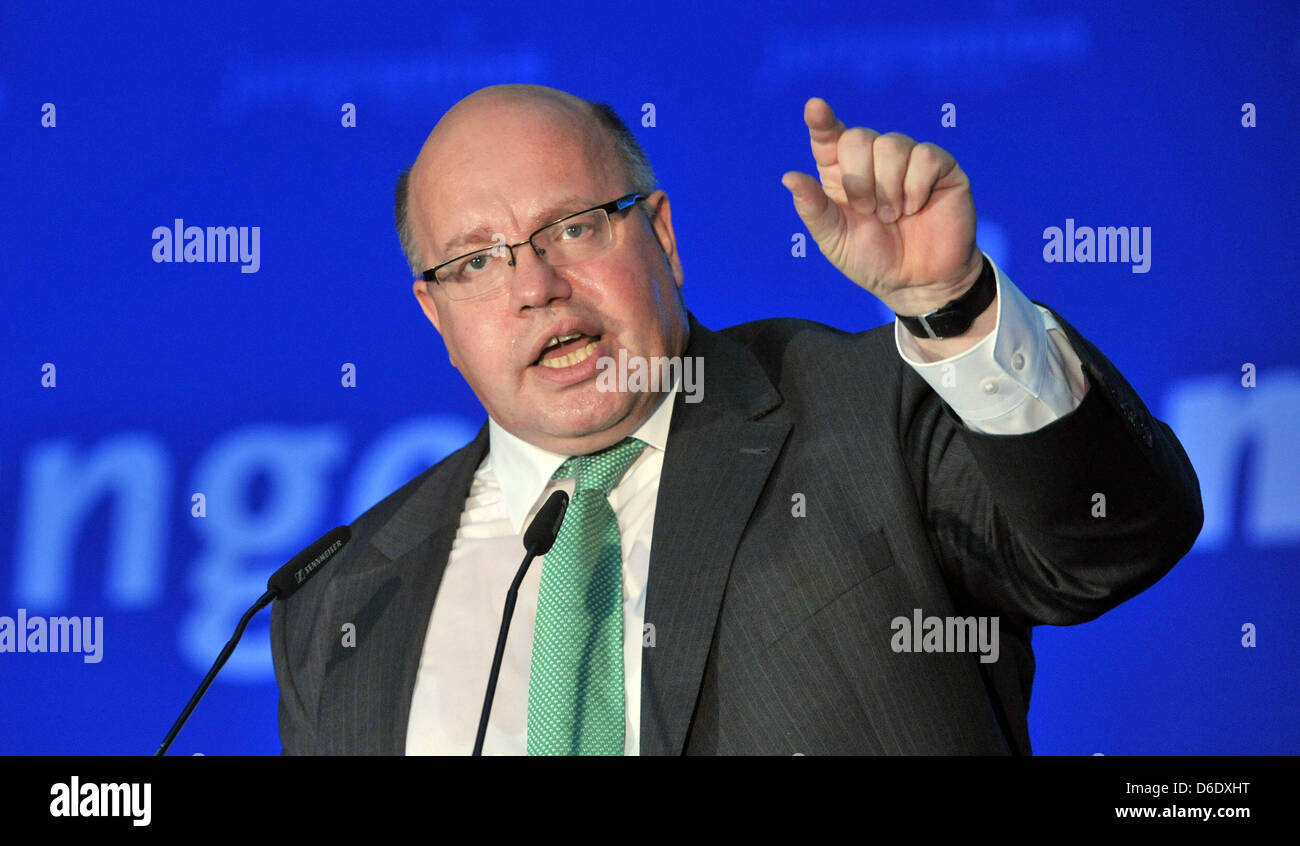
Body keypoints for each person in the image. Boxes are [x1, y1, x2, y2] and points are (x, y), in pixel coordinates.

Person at [271, 84, 1202, 755]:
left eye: (574, 227)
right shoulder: (343, 602)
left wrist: (952, 305)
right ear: (435, 314)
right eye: (475, 262)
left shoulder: (864, 408)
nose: (534, 286)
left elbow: (1111, 541)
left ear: (663, 238)